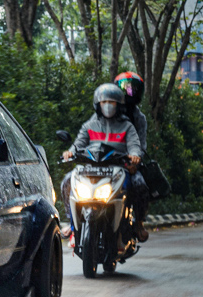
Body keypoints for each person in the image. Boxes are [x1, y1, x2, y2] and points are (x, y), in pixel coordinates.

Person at [62, 82, 144, 240]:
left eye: (111, 102)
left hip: (118, 169)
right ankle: (72, 223)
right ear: (98, 104)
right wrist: (70, 152)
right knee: (67, 181)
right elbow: (78, 144)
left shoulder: (127, 126)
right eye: (104, 102)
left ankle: (130, 227)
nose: (107, 105)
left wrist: (134, 155)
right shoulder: (90, 125)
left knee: (138, 184)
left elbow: (135, 146)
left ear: (119, 105)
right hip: (91, 168)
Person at [112, 71, 153, 241]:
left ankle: (139, 223)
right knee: (71, 181)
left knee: (140, 185)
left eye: (133, 90)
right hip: (103, 163)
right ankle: (73, 225)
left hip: (127, 165)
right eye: (125, 89)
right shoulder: (104, 113)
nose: (129, 93)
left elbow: (141, 145)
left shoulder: (139, 118)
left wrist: (135, 160)